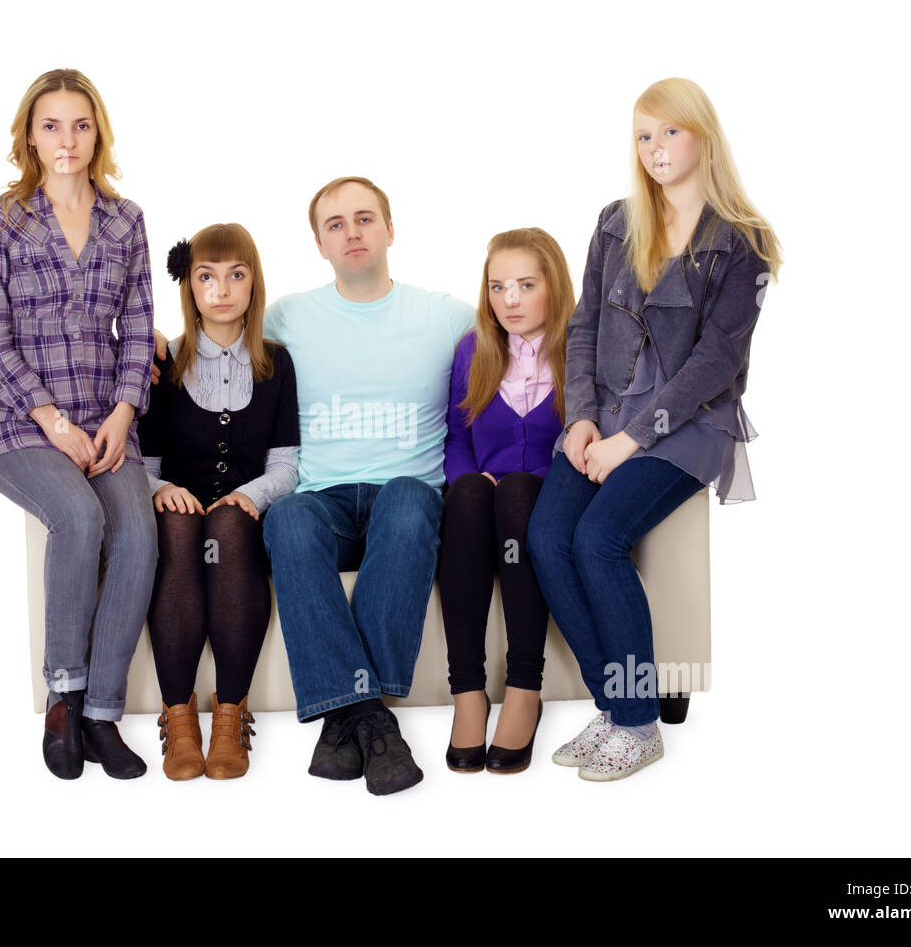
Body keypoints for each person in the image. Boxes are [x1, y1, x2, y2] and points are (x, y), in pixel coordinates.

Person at [528, 77, 781, 782]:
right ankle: (618, 707)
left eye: (669, 131)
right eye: (644, 136)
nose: (656, 148)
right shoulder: (615, 221)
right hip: (600, 419)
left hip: (687, 427)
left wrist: (629, 440)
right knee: (547, 539)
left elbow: (715, 361)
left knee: (598, 538)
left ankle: (638, 723)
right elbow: (581, 330)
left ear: (703, 135)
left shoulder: (743, 243)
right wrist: (580, 418)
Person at [259, 177, 475, 796]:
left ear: (389, 229)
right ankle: (370, 717)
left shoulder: (446, 315)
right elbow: (215, 344)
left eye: (364, 219)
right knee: (288, 517)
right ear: (320, 243)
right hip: (322, 502)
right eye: (335, 224)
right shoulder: (286, 318)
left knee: (410, 497)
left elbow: (527, 348)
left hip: (405, 502)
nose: (351, 232)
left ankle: (343, 718)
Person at [0, 69, 156, 781]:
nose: (67, 140)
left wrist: (122, 411)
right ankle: (65, 695)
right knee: (79, 517)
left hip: (107, 416)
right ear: (29, 134)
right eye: (51, 125)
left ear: (98, 132)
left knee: (138, 536)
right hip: (19, 420)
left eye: (80, 125)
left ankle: (103, 716)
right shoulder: (1, 220)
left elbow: (138, 327)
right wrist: (51, 418)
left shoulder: (126, 219)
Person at [136, 223, 299, 780]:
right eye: (207, 276)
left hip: (244, 517)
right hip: (178, 511)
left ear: (254, 283)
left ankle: (230, 713)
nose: (222, 289)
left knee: (227, 527)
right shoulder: (164, 363)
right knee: (180, 529)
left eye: (236, 275)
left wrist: (247, 496)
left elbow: (285, 465)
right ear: (190, 287)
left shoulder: (277, 364)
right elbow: (145, 467)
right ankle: (178, 717)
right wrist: (164, 491)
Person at [440, 229, 571, 774]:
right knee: (470, 489)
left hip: (551, 503)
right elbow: (456, 437)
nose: (509, 300)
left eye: (525, 285)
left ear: (554, 288)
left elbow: (596, 433)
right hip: (483, 513)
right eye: (498, 287)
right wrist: (474, 477)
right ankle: (468, 692)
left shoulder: (579, 348)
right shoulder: (474, 348)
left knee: (519, 490)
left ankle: (524, 689)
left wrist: (531, 479)